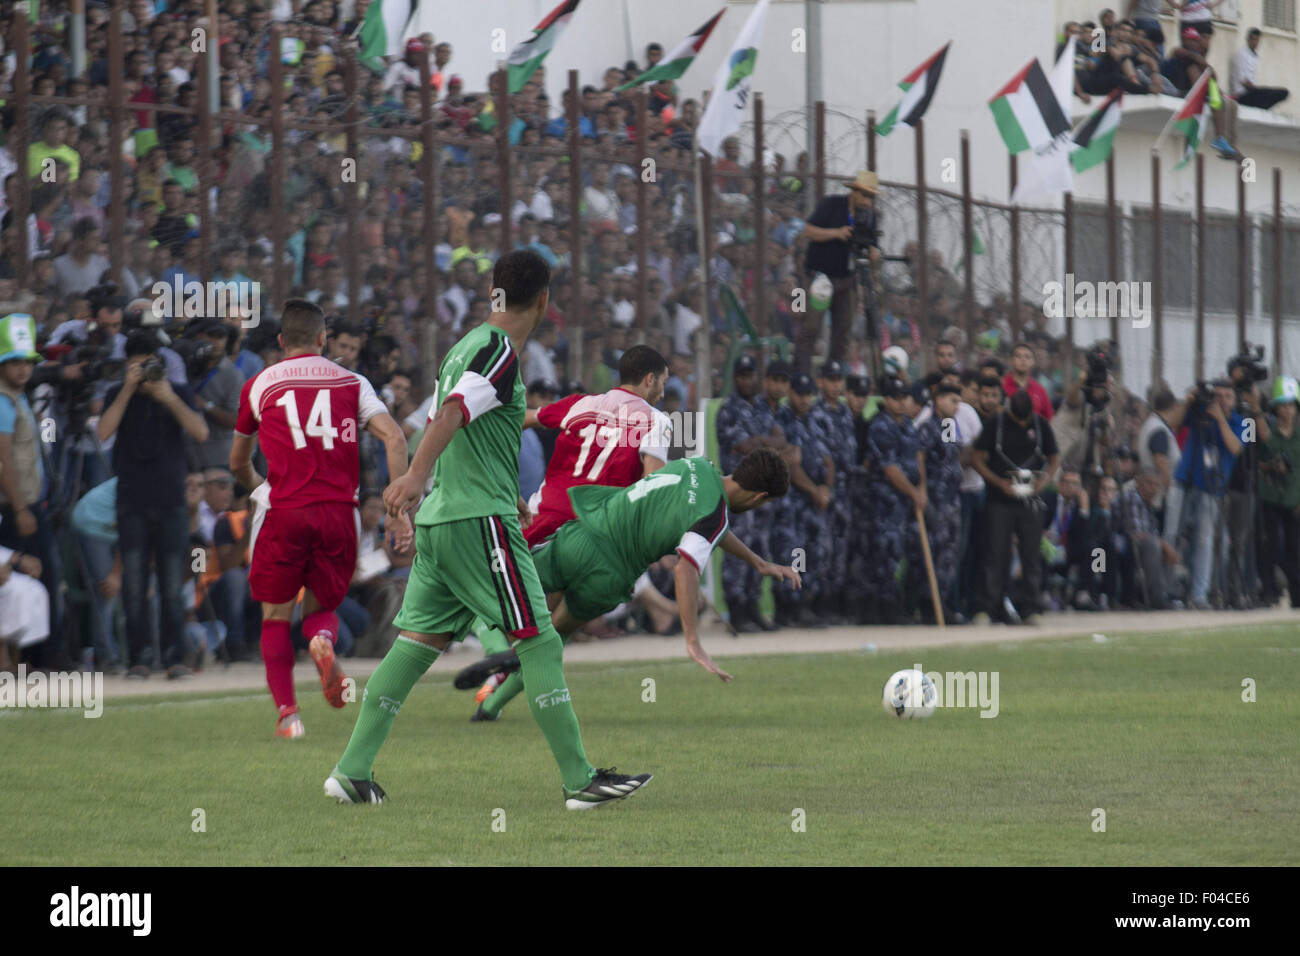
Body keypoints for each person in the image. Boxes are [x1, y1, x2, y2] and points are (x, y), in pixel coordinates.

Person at [328, 251, 653, 811]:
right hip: (476, 521)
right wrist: (412, 478)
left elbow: (452, 422)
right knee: (541, 638)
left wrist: (455, 494)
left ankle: (352, 771)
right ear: (545, 302)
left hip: (447, 518)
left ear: (492, 291)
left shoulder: (463, 347)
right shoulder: (499, 351)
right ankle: (579, 779)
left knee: (417, 644)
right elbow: (453, 412)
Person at [453, 452, 801, 718]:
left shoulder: (696, 466)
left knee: (493, 588)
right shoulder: (714, 515)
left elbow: (709, 529)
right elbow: (686, 568)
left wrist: (758, 563)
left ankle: (488, 643)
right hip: (609, 575)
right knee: (550, 640)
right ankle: (491, 702)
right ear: (760, 497)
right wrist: (693, 641)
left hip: (584, 532)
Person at [229, 299, 409, 738]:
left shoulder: (260, 384)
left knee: (275, 616)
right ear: (324, 339)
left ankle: (289, 716)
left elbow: (236, 461)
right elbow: (395, 436)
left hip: (284, 511)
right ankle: (323, 643)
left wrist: (259, 487)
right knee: (322, 608)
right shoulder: (353, 382)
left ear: (280, 341)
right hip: (338, 513)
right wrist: (398, 511)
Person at [463, 344, 672, 707]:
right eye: (664, 383)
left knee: (477, 588)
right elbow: (650, 488)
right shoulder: (657, 420)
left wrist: (476, 427)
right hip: (593, 537)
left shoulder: (582, 403)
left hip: (543, 518)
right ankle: (494, 698)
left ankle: (496, 653)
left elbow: (522, 419)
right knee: (556, 631)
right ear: (650, 379)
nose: (664, 392)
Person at [97, 328, 210, 678]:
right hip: (131, 502)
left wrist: (168, 397)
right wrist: (129, 388)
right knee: (133, 587)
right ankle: (139, 659)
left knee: (172, 586)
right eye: (136, 366)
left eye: (148, 364)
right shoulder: (118, 392)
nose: (143, 371)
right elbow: (102, 433)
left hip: (172, 501)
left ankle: (176, 657)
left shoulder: (177, 391)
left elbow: (201, 432)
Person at [972, 388, 1061, 626]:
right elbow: (977, 457)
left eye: (1026, 419)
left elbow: (1054, 457)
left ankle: (1030, 608)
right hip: (999, 499)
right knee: (995, 554)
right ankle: (988, 608)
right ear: (1009, 409)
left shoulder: (1041, 425)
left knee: (1031, 555)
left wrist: (1044, 480)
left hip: (1031, 499)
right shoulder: (995, 424)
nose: (1022, 423)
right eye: (1018, 419)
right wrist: (997, 481)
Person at [798, 170, 881, 371]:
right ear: (854, 192)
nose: (867, 201)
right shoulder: (832, 204)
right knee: (811, 327)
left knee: (843, 332)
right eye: (864, 194)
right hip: (820, 276)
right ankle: (800, 375)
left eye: (870, 196)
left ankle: (832, 374)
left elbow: (872, 245)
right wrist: (836, 233)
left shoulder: (870, 217)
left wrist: (873, 253)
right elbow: (807, 230)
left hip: (847, 279)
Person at [1173, 380, 1244, 609]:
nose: (1222, 400)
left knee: (1205, 541)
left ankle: (1200, 594)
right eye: (1219, 395)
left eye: (1227, 396)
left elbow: (1236, 448)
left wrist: (1220, 419)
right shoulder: (1199, 413)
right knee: (1173, 536)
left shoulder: (1240, 422)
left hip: (1212, 489)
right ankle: (1168, 591)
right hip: (1184, 481)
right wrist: (1188, 402)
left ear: (1234, 400)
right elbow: (1172, 424)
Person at [1257, 377, 1300, 608]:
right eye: (1283, 405)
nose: (1287, 410)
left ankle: (1297, 597)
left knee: (1295, 551)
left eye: (1291, 405)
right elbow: (1250, 457)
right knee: (1269, 548)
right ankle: (1268, 593)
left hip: (1293, 501)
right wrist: (1271, 466)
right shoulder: (1264, 430)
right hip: (1269, 498)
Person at [1229, 28, 1289, 110]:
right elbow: (1242, 80)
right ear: (1248, 39)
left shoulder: (1254, 56)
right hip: (1241, 95)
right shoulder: (1240, 54)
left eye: (1257, 40)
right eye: (1253, 39)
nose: (1255, 43)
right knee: (1265, 93)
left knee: (1284, 93)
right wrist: (1256, 90)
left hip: (1251, 92)